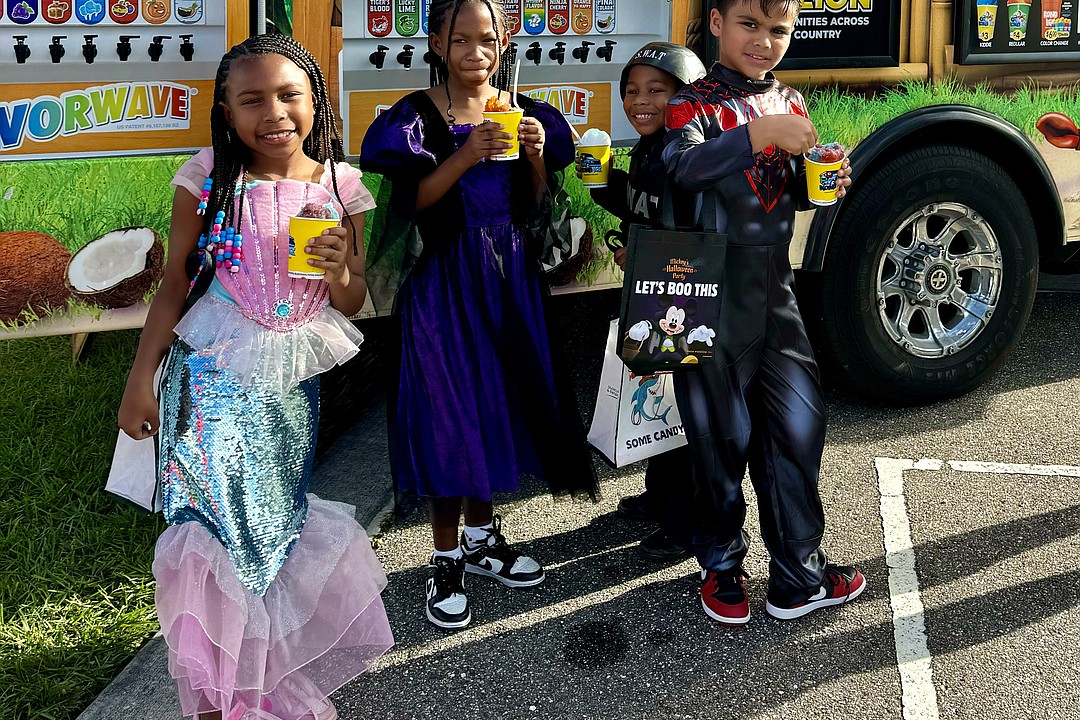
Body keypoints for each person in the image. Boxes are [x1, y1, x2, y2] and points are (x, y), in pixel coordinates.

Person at [117, 34, 393, 719]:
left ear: (315, 100)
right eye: (252, 100)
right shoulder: (209, 178)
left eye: (289, 95)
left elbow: (354, 298)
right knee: (213, 530)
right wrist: (140, 377)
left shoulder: (340, 185)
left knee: (272, 528)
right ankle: (215, 700)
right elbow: (175, 283)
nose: (274, 113)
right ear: (227, 111)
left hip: (288, 392)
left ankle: (258, 682)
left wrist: (338, 268)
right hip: (210, 378)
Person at [359, 0, 596, 631]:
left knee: (495, 402)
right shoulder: (414, 118)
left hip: (509, 279)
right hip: (442, 282)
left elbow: (537, 203)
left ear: (504, 41)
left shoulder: (523, 110)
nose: (475, 53)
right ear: (436, 43)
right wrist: (465, 156)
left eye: (487, 39)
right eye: (460, 39)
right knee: (448, 409)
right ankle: (444, 556)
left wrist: (536, 155)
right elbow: (410, 205)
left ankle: (483, 538)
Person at [662, 0, 864, 626]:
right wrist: (759, 134)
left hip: (776, 289)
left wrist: (824, 179)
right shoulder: (691, 103)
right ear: (716, 23)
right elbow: (684, 169)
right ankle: (721, 565)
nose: (764, 42)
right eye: (749, 25)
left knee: (799, 428)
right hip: (707, 294)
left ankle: (798, 573)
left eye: (779, 30)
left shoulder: (791, 101)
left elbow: (789, 192)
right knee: (719, 437)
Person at [579, 42, 707, 563]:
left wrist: (646, 249)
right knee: (657, 399)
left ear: (689, 97)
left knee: (681, 412)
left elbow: (692, 225)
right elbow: (639, 202)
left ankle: (685, 524)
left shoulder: (688, 153)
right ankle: (660, 498)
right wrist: (601, 181)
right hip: (654, 292)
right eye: (631, 91)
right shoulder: (649, 148)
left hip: (684, 300)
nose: (640, 101)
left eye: (658, 90)